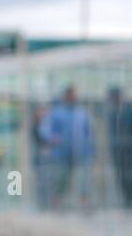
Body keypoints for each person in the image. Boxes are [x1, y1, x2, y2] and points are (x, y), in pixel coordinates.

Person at [38, 85, 95, 213]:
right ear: (65, 96)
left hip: (82, 153)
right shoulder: (56, 112)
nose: (73, 98)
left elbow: (89, 132)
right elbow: (44, 130)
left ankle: (84, 204)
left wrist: (91, 150)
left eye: (75, 95)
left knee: (83, 180)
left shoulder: (82, 113)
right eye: (71, 95)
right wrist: (53, 138)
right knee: (62, 179)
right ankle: (57, 203)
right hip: (61, 154)